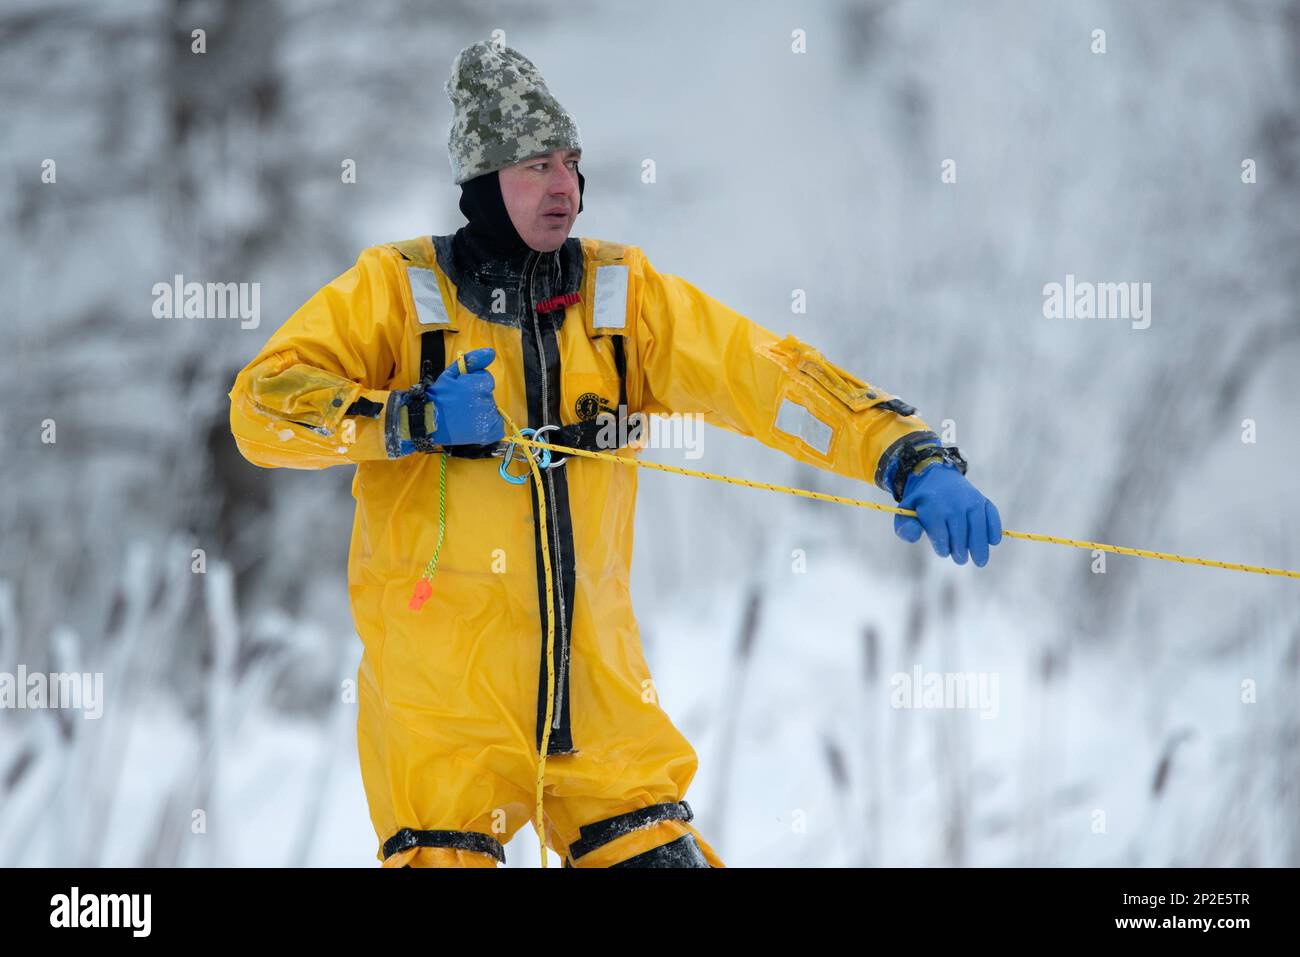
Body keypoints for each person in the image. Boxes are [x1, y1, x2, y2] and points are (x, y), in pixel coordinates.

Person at [227, 39, 1002, 868]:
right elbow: (260, 407)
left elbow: (765, 377)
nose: (564, 186)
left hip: (601, 720)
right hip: (443, 727)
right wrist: (406, 416)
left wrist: (905, 453)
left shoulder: (621, 298)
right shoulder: (397, 293)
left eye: (571, 162)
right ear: (483, 183)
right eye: (534, 165)